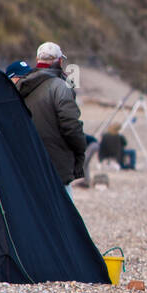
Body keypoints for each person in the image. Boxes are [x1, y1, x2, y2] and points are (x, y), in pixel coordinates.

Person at [17, 42, 86, 194]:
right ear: (60, 61)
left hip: (28, 162)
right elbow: (71, 126)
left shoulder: (21, 85)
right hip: (57, 165)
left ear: (37, 60)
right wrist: (81, 149)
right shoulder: (61, 86)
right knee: (65, 214)